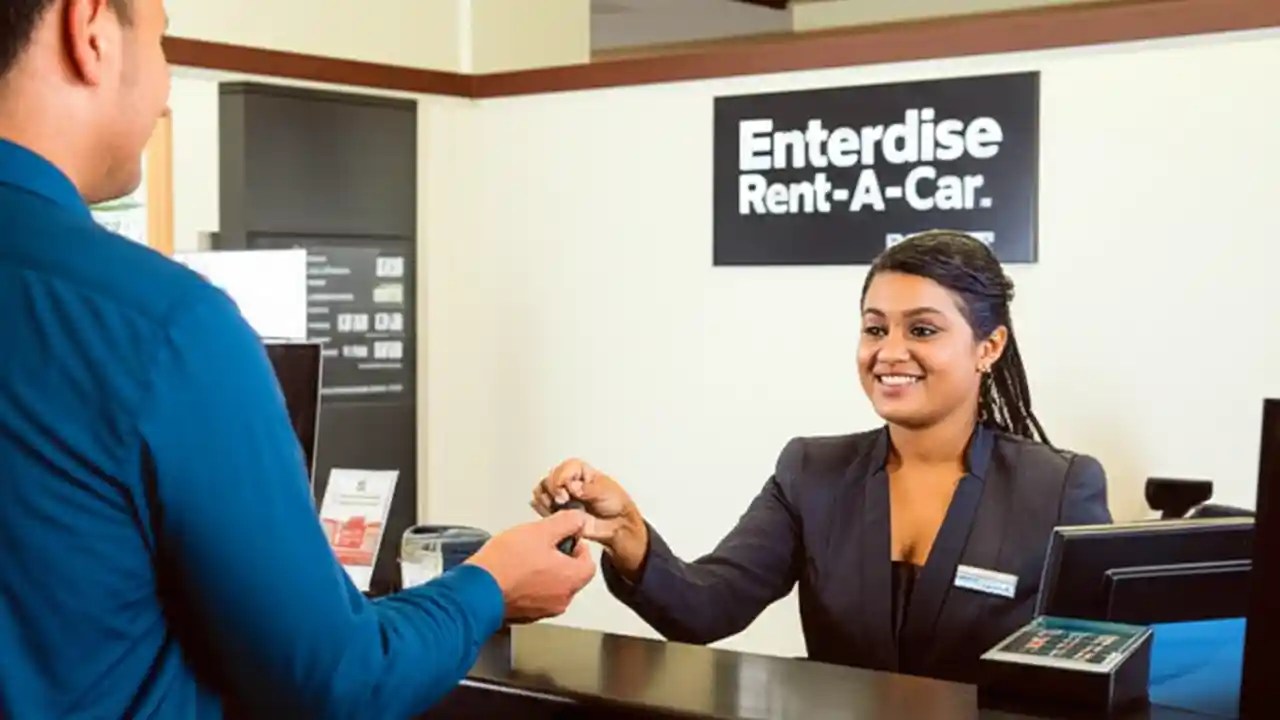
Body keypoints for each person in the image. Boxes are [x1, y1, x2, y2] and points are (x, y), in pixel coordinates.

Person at [0, 2, 594, 718]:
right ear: (89, 29)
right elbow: (338, 679)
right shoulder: (165, 328)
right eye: (163, 40)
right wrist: (489, 584)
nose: (164, 90)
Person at [533, 230, 1113, 684]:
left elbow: (1098, 675)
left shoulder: (1061, 488)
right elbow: (706, 608)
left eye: (923, 330)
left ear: (988, 347)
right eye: (874, 328)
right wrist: (628, 533)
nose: (890, 352)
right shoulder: (811, 473)